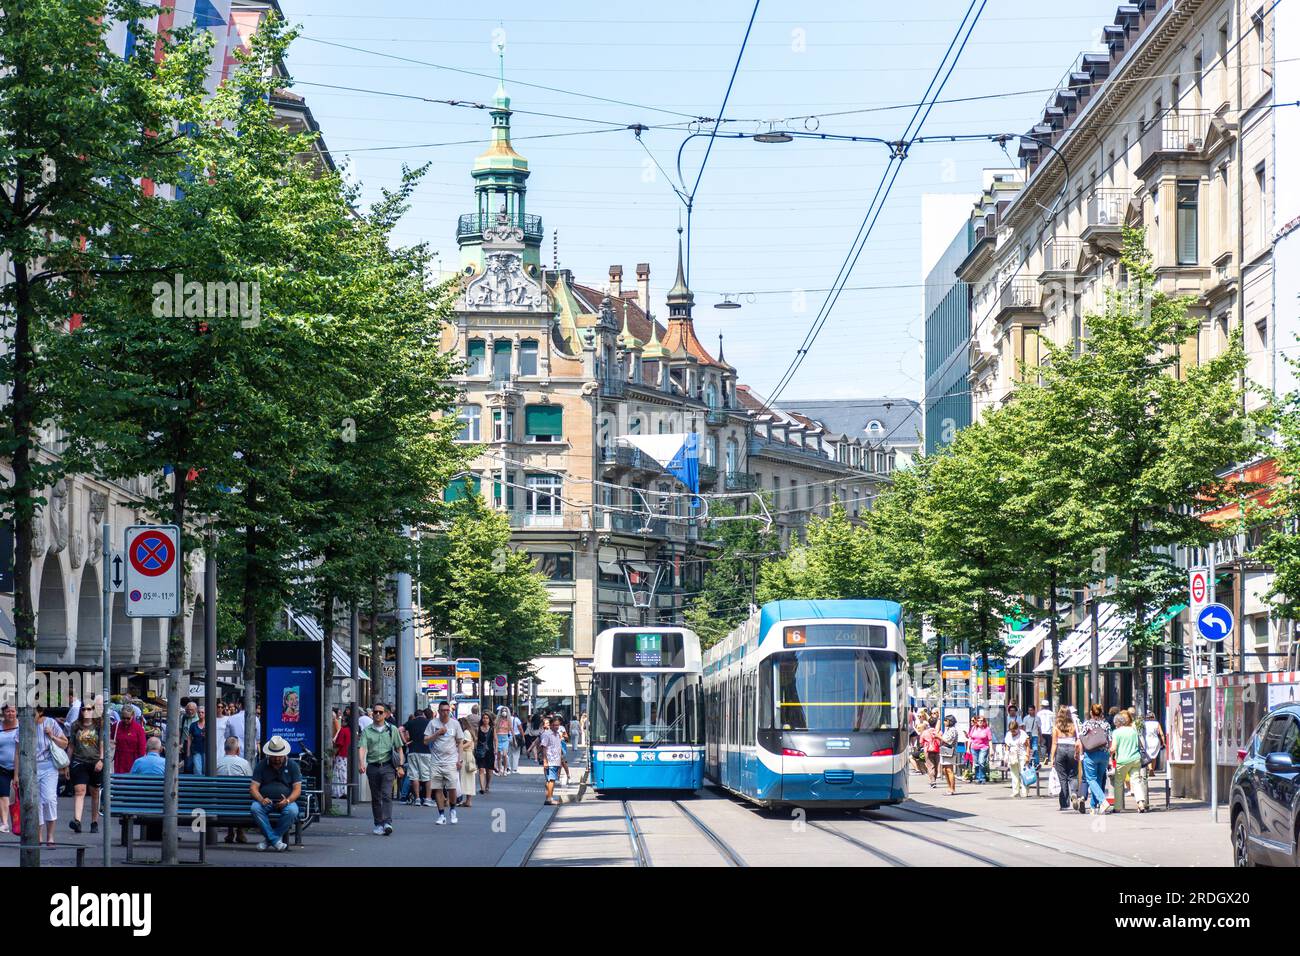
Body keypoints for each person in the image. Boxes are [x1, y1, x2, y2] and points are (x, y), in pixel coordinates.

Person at [16, 705, 69, 847]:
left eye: (33, 713)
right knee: (36, 801)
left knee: (49, 799)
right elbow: (17, 752)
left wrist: (52, 736)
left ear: (40, 712)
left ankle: (50, 835)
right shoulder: (24, 726)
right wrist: (16, 774)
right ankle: (38, 835)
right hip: (30, 767)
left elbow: (65, 743)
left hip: (48, 766)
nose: (30, 717)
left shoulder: (50, 723)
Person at [249, 736, 301, 851]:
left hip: (286, 801)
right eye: (274, 756)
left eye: (280, 756)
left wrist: (287, 800)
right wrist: (261, 799)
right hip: (265, 801)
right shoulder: (261, 765)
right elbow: (253, 788)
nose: (277, 759)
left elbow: (297, 789)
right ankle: (275, 840)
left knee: (292, 811)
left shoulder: (293, 766)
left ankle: (269, 841)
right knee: (255, 808)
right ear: (269, 754)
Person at [358, 704, 404, 835]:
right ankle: (378, 823)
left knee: (386, 794)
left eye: (380, 712)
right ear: (372, 714)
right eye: (375, 712)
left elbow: (399, 747)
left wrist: (399, 766)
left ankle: (387, 822)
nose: (377, 714)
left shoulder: (392, 729)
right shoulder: (367, 731)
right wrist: (361, 762)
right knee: (376, 797)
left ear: (385, 714)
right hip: (372, 766)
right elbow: (362, 747)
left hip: (388, 766)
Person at [424, 700, 464, 825]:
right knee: (438, 788)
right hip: (436, 761)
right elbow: (425, 741)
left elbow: (460, 742)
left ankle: (452, 810)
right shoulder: (432, 723)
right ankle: (441, 815)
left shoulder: (455, 724)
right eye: (443, 710)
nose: (445, 713)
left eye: (447, 710)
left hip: (451, 761)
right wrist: (437, 733)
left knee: (452, 787)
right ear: (439, 711)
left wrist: (460, 760)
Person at [68, 703, 104, 834]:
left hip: (95, 761)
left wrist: (101, 760)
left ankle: (94, 821)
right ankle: (77, 820)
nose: (86, 711)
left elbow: (102, 744)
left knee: (95, 792)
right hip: (79, 760)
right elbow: (71, 745)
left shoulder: (99, 726)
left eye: (89, 709)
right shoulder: (75, 726)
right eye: (83, 709)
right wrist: (67, 762)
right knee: (79, 790)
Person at [215, 736, 252, 844]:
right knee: (241, 796)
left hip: (219, 802)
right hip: (240, 801)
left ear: (225, 749)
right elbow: (251, 780)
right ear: (238, 750)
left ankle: (231, 832)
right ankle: (240, 831)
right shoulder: (244, 763)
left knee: (226, 796)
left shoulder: (217, 762)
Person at [1111, 711, 1148, 813]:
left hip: (1122, 761)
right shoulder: (1133, 731)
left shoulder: (1116, 732)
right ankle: (1140, 803)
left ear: (1117, 723)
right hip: (1135, 759)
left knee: (1118, 783)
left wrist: (1109, 753)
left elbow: (1113, 748)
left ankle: (1117, 807)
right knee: (1136, 781)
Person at [1079, 704, 1112, 815]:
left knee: (1091, 779)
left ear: (1091, 713)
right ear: (1101, 712)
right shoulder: (1106, 724)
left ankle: (1103, 801)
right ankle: (1093, 807)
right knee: (1098, 780)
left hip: (1090, 754)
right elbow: (1110, 740)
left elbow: (1081, 739)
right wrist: (1109, 755)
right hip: (1104, 754)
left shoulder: (1086, 724)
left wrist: (1080, 753)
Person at [1049, 706, 1081, 812]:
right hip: (1072, 748)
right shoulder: (1073, 726)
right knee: (1073, 775)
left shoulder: (1056, 727)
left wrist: (1052, 757)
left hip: (1060, 750)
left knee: (1062, 778)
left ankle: (1064, 803)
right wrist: (1077, 753)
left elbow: (1054, 743)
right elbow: (1077, 739)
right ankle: (1074, 793)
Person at [401, 707, 433, 807]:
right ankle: (428, 798)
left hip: (412, 750)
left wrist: (405, 742)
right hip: (425, 751)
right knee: (427, 775)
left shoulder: (411, 722)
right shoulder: (429, 722)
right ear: (423, 714)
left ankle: (418, 798)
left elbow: (400, 729)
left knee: (414, 775)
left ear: (415, 715)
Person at [111, 702, 147, 774]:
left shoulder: (138, 729)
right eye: (123, 718)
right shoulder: (116, 726)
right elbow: (111, 741)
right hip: (119, 761)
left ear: (133, 716)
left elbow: (142, 749)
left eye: (128, 718)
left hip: (133, 762)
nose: (126, 720)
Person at [539, 714, 565, 806]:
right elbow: (544, 748)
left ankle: (548, 798)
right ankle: (549, 799)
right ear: (550, 725)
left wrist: (561, 759)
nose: (556, 727)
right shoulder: (547, 734)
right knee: (551, 780)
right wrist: (545, 761)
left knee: (550, 780)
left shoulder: (557, 734)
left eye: (557, 725)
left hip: (556, 760)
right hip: (550, 761)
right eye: (554, 725)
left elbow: (558, 747)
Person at [0, 703, 17, 833]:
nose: (10, 714)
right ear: (3, 713)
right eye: (7, 711)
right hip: (2, 766)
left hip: (20, 767)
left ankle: (20, 821)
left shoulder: (21, 726)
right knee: (3, 794)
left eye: (12, 711)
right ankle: (5, 822)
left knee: (21, 796)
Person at [1005, 720, 1031, 798]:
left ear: (1018, 728)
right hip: (1012, 756)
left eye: (1014, 731)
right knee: (1014, 774)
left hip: (1022, 755)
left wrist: (1027, 756)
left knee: (1023, 773)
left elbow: (1027, 746)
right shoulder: (1008, 735)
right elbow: (1007, 745)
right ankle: (1015, 791)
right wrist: (1006, 754)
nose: (1013, 733)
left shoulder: (1023, 734)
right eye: (1011, 731)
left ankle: (1024, 791)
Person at [473, 712, 496, 795]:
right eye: (484, 718)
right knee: (481, 769)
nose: (485, 719)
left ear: (489, 720)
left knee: (489, 771)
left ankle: (487, 785)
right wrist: (474, 748)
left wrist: (496, 750)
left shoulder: (492, 728)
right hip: (480, 751)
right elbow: (476, 739)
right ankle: (482, 787)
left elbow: (495, 739)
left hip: (490, 751)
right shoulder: (478, 728)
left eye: (487, 718)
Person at [457, 716, 477, 807]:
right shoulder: (470, 731)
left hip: (466, 756)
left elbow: (468, 743)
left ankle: (468, 801)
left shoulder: (465, 732)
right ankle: (468, 800)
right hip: (469, 755)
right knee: (469, 778)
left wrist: (458, 748)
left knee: (466, 778)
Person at [331, 712, 351, 800]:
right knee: (345, 773)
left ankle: (340, 792)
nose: (341, 722)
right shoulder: (351, 730)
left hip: (341, 755)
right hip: (348, 755)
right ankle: (345, 791)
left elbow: (339, 744)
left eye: (342, 720)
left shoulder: (343, 730)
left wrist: (334, 754)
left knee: (339, 774)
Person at [938, 715, 959, 795]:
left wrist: (938, 736)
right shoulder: (948, 729)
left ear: (950, 721)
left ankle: (952, 789)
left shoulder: (953, 730)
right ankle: (949, 787)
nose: (944, 722)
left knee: (949, 770)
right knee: (944, 770)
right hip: (944, 751)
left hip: (950, 752)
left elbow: (948, 740)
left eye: (946, 721)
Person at [968, 714, 992, 784]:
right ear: (976, 722)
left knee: (981, 762)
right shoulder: (973, 728)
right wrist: (968, 749)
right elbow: (970, 738)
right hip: (974, 747)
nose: (980, 722)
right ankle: (978, 777)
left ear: (984, 722)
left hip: (983, 747)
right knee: (976, 763)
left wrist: (991, 750)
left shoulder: (987, 729)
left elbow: (990, 740)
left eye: (982, 721)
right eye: (979, 721)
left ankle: (982, 777)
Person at [186, 706, 208, 775]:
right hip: (196, 750)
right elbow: (189, 738)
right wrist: (188, 751)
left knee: (205, 769)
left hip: (206, 750)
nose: (200, 714)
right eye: (199, 712)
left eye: (202, 712)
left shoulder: (208, 724)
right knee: (197, 769)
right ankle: (199, 784)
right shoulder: (193, 725)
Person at [919, 720, 940, 787]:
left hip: (928, 750)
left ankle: (932, 781)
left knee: (930, 766)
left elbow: (921, 742)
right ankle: (935, 779)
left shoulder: (925, 732)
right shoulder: (938, 732)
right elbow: (941, 741)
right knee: (936, 765)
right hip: (937, 750)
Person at [494, 707, 512, 777]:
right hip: (498, 738)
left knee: (504, 755)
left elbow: (511, 729)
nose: (504, 712)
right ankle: (499, 770)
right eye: (502, 711)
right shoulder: (497, 720)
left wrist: (513, 738)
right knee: (498, 756)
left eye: (505, 711)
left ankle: (505, 769)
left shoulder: (508, 720)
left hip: (505, 739)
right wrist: (495, 739)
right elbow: (495, 729)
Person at [1037, 700, 1054, 767]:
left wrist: (1038, 733)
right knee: (1049, 746)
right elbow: (1053, 724)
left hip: (1042, 731)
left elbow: (1038, 724)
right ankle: (1050, 758)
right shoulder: (1051, 713)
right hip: (1049, 732)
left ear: (1042, 706)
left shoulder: (1039, 713)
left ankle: (1043, 758)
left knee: (1043, 745)